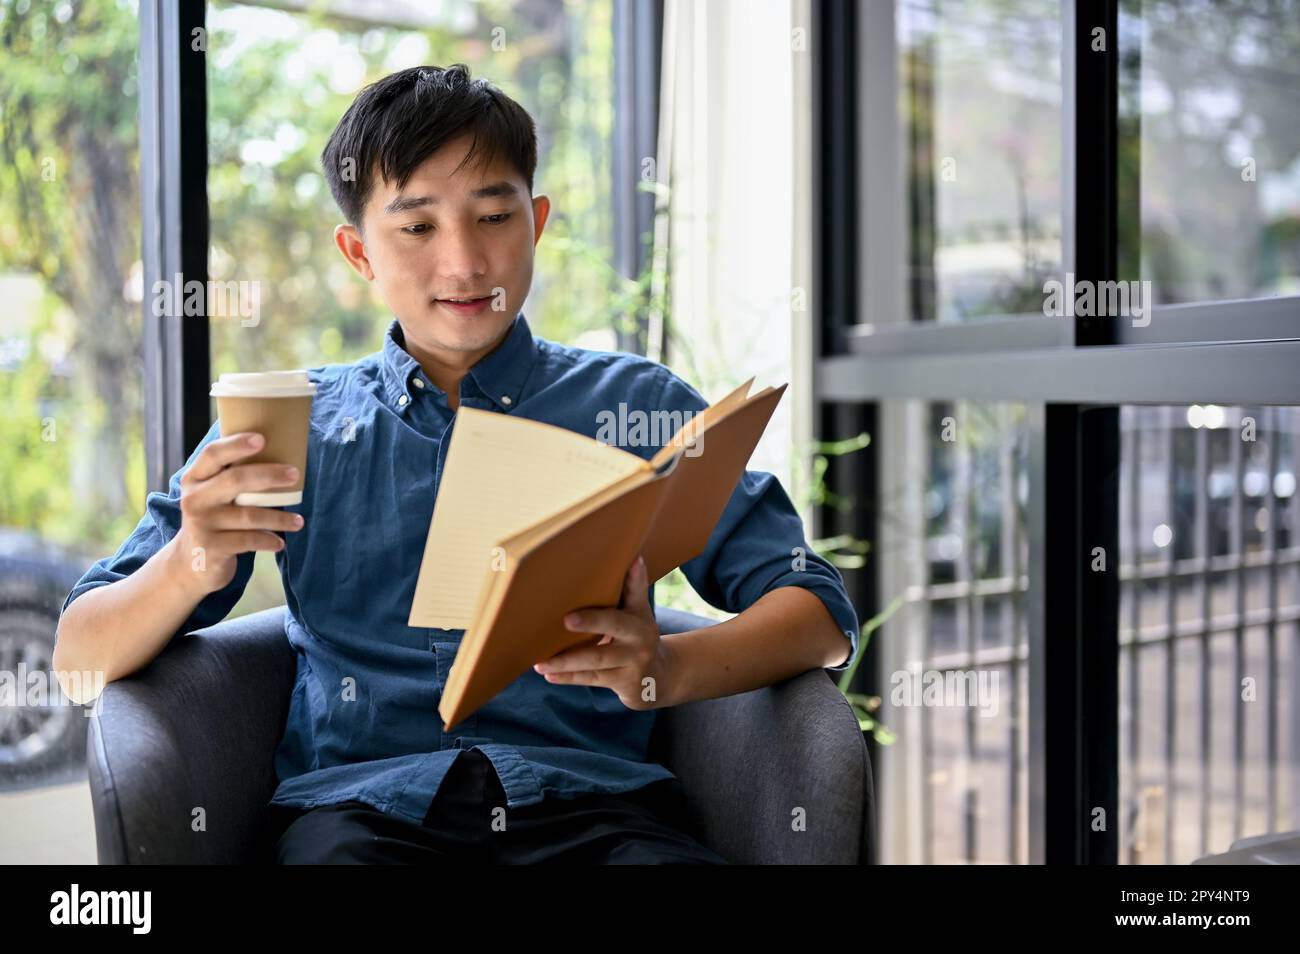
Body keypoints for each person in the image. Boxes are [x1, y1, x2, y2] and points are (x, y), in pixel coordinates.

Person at [55, 64, 861, 865]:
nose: (466, 264)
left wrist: (666, 669)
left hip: (597, 811)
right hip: (359, 817)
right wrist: (193, 561)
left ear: (536, 220)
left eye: (494, 216)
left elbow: (820, 613)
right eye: (417, 227)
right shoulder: (290, 423)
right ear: (358, 252)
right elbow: (78, 661)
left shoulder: (636, 406)